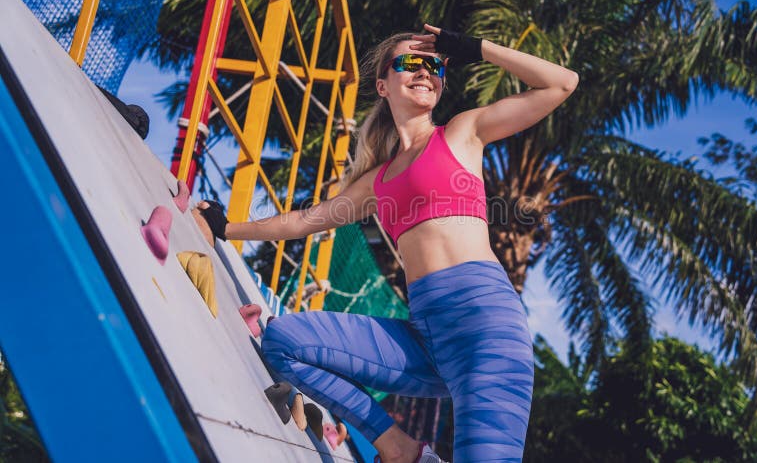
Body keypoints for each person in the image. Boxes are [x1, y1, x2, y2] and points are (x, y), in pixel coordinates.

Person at [195, 24, 579, 463]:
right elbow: (306, 220)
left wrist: (472, 47)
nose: (424, 71)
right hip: (425, 338)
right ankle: (399, 449)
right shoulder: (376, 182)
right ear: (383, 84)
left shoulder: (461, 132)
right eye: (409, 62)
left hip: (486, 333)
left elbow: (561, 83)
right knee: (284, 341)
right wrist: (227, 229)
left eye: (433, 64)